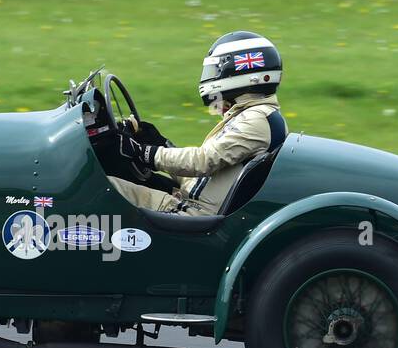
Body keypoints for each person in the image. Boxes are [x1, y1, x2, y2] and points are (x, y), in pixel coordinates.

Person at [110, 31, 284, 214]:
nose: (211, 77)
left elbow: (202, 161)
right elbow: (202, 178)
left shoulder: (256, 120)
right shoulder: (254, 115)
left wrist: (144, 153)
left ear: (244, 73)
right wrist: (161, 143)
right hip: (192, 201)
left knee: (105, 186)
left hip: (194, 213)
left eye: (216, 70)